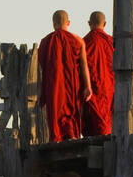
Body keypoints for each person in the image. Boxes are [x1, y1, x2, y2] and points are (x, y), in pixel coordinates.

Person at [38, 9, 91, 142]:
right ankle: (72, 135)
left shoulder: (45, 41)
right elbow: (84, 65)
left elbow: (41, 64)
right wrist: (88, 87)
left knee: (55, 111)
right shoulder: (78, 41)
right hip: (73, 85)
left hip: (54, 85)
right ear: (68, 22)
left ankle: (56, 138)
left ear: (53, 24)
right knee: (72, 109)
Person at [81, 11, 113, 136]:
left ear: (89, 23)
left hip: (92, 88)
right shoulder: (111, 42)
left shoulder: (84, 42)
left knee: (94, 122)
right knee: (107, 121)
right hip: (110, 88)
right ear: (104, 24)